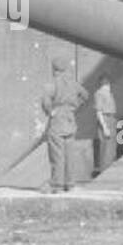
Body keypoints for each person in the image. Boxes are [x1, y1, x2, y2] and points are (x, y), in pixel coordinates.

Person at [39, 55, 88, 192]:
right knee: (69, 155)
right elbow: (85, 95)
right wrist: (74, 108)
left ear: (54, 69)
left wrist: (50, 111)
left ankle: (56, 185)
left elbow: (46, 101)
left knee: (57, 154)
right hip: (70, 120)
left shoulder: (52, 84)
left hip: (57, 121)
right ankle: (70, 185)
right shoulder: (73, 84)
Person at [94, 71, 117, 174]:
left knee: (111, 148)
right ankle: (105, 171)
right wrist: (105, 127)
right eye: (108, 84)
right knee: (106, 148)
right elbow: (99, 112)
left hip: (111, 119)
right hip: (105, 119)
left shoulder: (109, 93)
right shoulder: (99, 94)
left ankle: (110, 170)